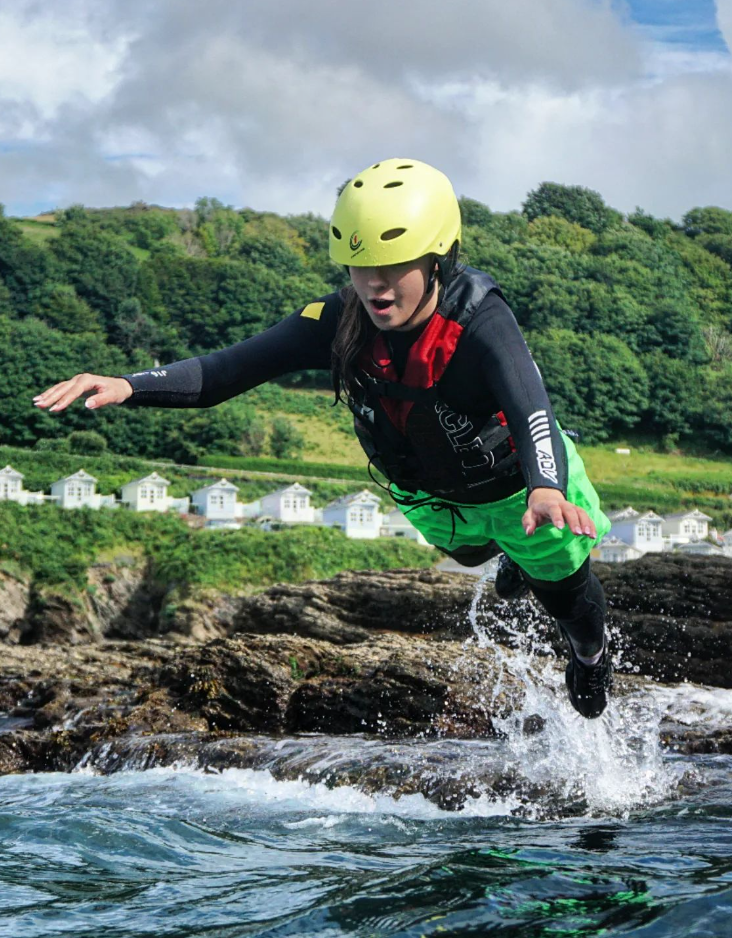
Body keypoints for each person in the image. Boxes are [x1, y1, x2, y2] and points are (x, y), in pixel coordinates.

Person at [33, 158, 614, 717]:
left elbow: (530, 405)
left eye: (394, 267)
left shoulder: (481, 320)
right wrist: (130, 384)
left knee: (566, 599)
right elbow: (225, 371)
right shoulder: (337, 320)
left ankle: (591, 655)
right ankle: (509, 557)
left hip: (522, 492)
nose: (374, 285)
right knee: (467, 553)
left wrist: (545, 487)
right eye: (360, 269)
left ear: (441, 258)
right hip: (430, 496)